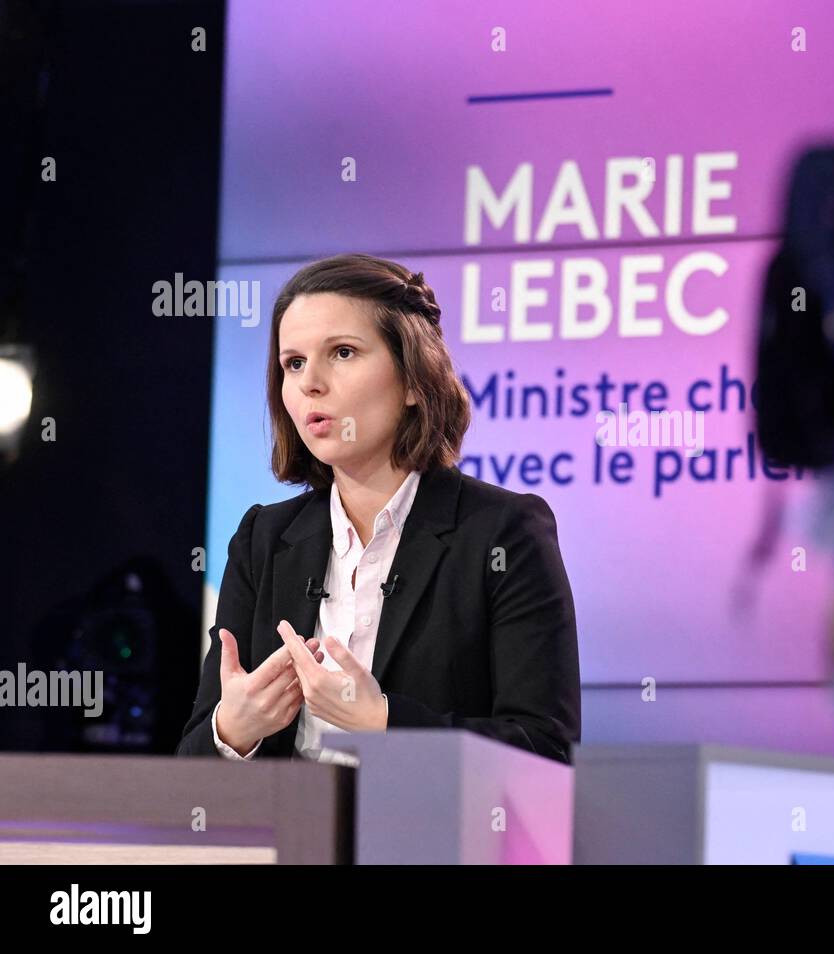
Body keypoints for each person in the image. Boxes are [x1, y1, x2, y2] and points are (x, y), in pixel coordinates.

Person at [176, 253, 581, 764]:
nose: (309, 383)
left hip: (431, 838)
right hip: (288, 838)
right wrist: (233, 730)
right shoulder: (263, 540)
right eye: (293, 363)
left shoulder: (502, 533)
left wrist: (384, 722)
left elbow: (546, 750)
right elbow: (191, 773)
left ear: (415, 379)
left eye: (342, 353)